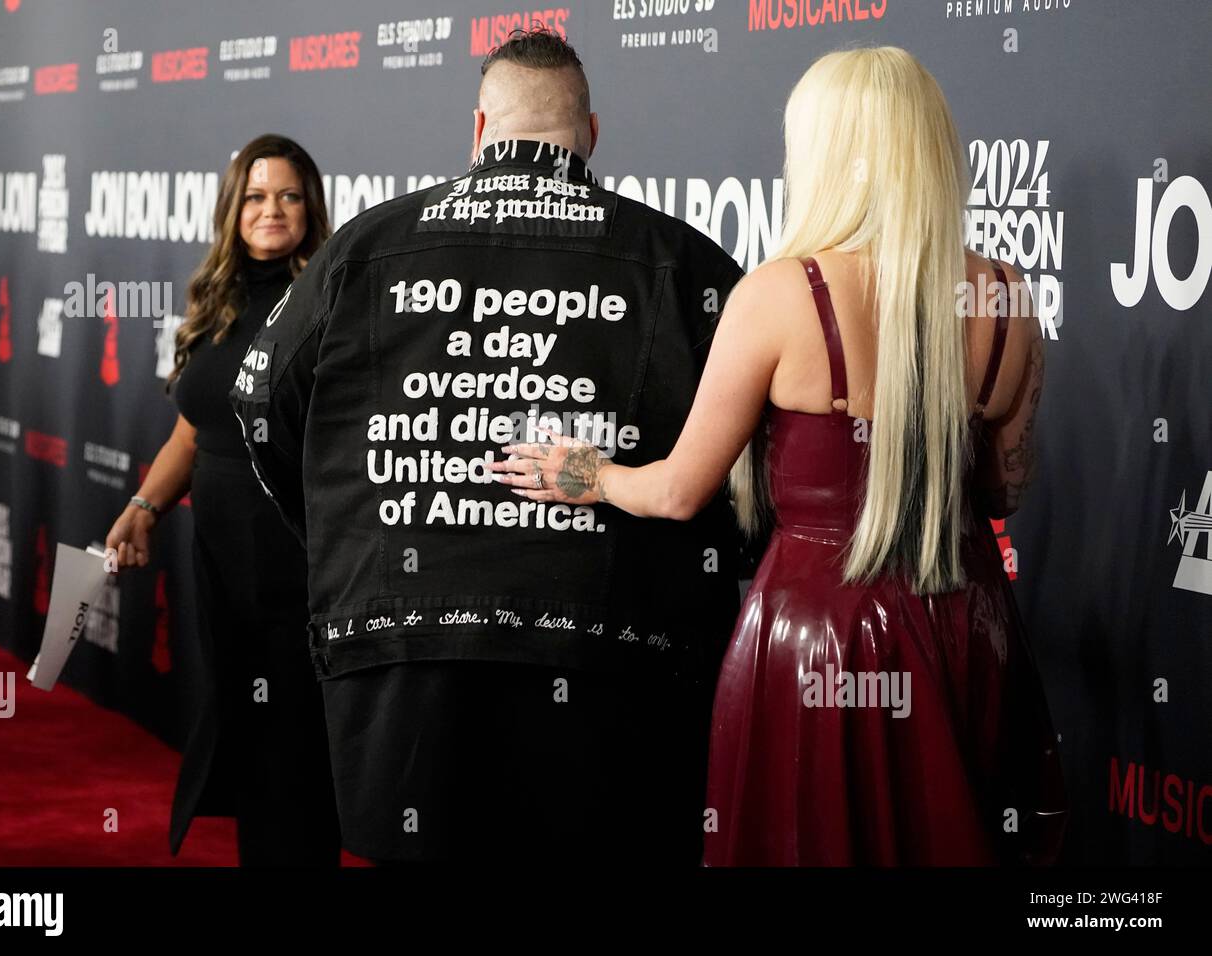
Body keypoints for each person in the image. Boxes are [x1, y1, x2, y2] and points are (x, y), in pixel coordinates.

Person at [493, 47, 1068, 865]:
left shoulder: (778, 294)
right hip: (967, 624)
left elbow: (677, 492)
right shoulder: (1005, 295)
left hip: (818, 639)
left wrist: (583, 473)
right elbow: (1004, 493)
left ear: (824, 153)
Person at [229, 28, 744, 864]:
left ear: (478, 129)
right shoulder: (682, 261)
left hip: (400, 646)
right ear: (593, 131)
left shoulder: (365, 246)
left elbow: (257, 405)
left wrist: (342, 526)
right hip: (612, 650)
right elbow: (760, 452)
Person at [104, 134, 341, 866]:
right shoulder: (217, 299)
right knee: (247, 721)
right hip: (222, 560)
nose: (272, 210)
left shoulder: (328, 298)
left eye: (290, 195)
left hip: (295, 557)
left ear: (312, 207)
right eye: (257, 196)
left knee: (293, 741)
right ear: (234, 210)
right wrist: (144, 505)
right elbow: (194, 427)